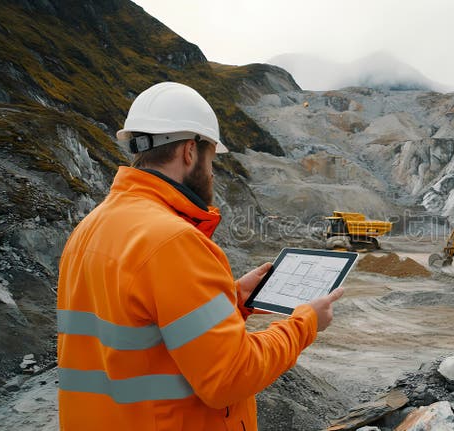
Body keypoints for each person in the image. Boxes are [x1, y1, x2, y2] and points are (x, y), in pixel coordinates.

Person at [56, 81, 344, 430]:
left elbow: (143, 329)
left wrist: (234, 300)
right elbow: (230, 376)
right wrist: (305, 324)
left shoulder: (90, 229)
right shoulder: (173, 240)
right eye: (211, 160)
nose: (211, 172)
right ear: (190, 152)